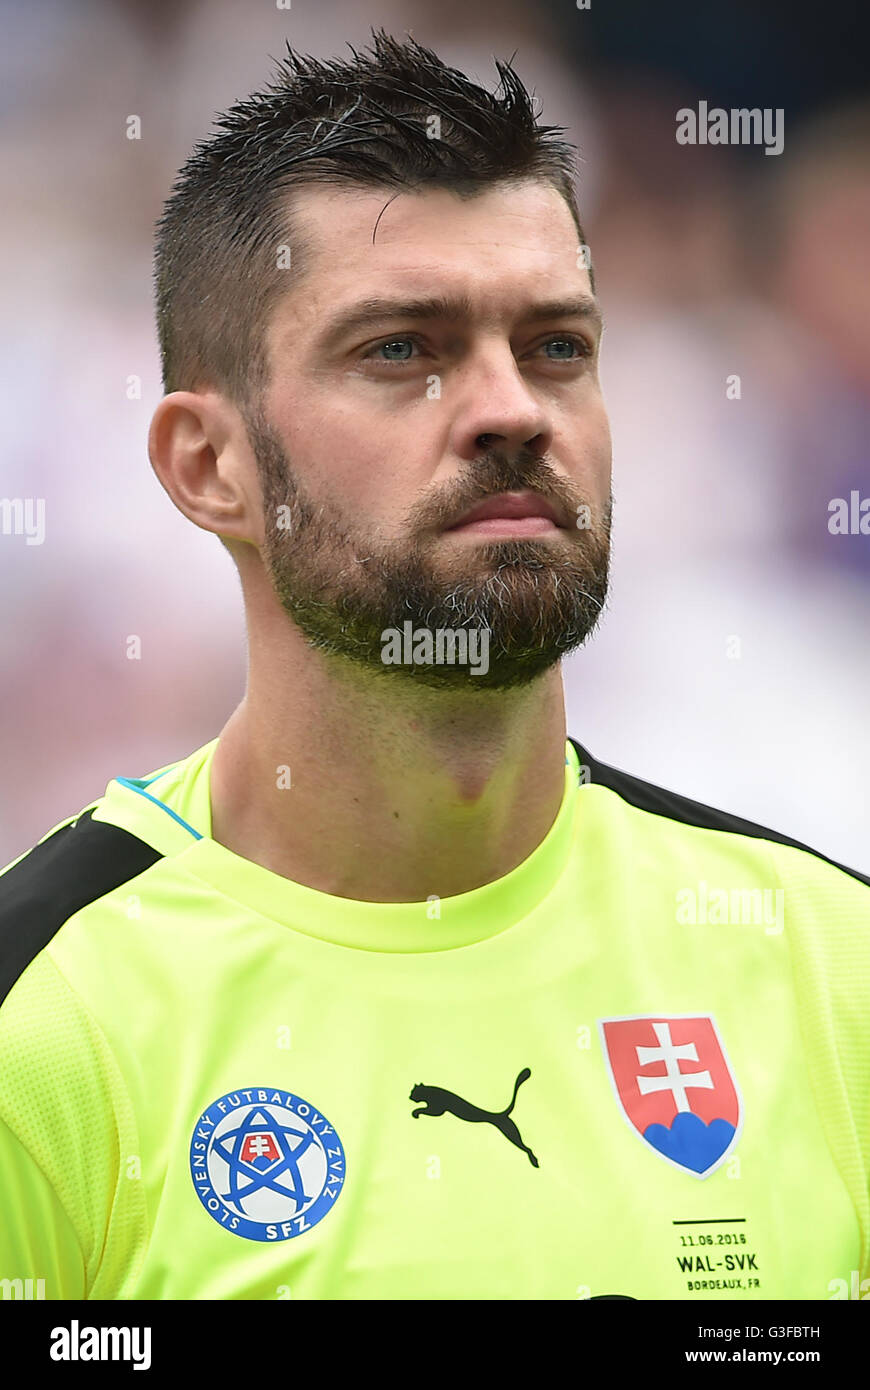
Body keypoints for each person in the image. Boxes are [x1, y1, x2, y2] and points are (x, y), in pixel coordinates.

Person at [1, 30, 867, 1302]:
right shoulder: (47, 1017)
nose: (512, 408)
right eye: (402, 350)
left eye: (557, 347)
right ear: (208, 466)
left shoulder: (827, 965)